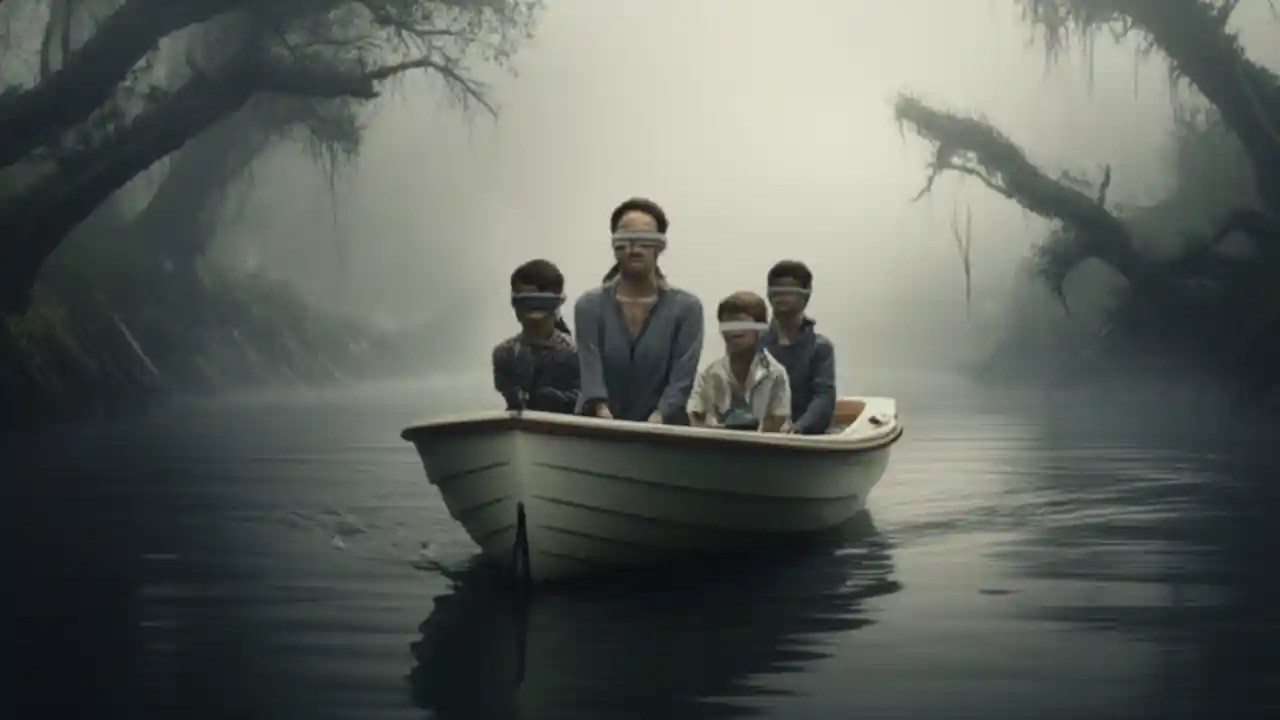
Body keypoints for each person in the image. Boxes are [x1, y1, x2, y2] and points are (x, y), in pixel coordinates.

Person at [574, 197, 704, 424]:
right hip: (597, 430)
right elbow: (590, 370)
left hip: (664, 435)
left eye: (644, 240)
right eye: (625, 239)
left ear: (660, 245)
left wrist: (658, 419)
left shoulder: (686, 308)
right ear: (614, 245)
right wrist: (603, 415)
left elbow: (682, 377)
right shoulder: (589, 306)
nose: (634, 249)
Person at [687, 291, 791, 432]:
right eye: (727, 325)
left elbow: (778, 420)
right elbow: (694, 413)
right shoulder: (709, 373)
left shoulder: (775, 374)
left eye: (740, 324)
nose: (733, 332)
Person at [491, 259, 580, 413]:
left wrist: (556, 399)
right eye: (525, 303)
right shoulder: (505, 354)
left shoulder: (575, 354)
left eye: (540, 303)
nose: (533, 314)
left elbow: (587, 399)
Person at [761, 260, 836, 434]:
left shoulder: (820, 348)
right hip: (759, 431)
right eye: (776, 292)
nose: (781, 298)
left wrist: (800, 427)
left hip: (804, 433)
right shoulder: (757, 342)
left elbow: (823, 396)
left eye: (789, 293)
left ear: (806, 296)